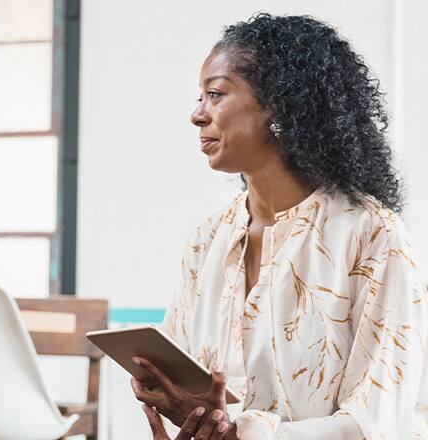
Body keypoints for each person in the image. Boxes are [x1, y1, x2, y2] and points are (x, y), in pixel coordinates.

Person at [131, 13, 428, 439]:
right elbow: (198, 398)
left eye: (215, 94)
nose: (198, 115)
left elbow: (378, 422)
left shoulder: (372, 236)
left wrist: (242, 435)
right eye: (200, 97)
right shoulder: (205, 242)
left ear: (282, 107)